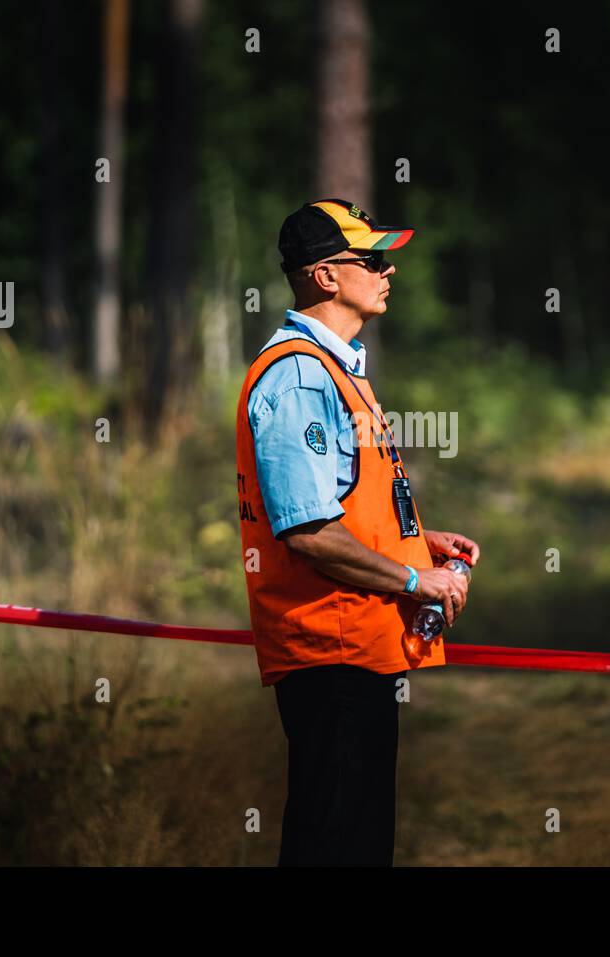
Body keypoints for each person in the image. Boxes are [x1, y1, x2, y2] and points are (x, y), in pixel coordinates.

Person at [234, 198, 481, 866]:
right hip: (330, 650)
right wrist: (413, 577)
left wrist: (420, 542)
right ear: (324, 276)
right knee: (334, 846)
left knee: (357, 844)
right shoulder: (299, 378)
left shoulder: (336, 369)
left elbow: (343, 505)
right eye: (370, 258)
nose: (387, 270)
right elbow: (308, 529)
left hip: (357, 647)